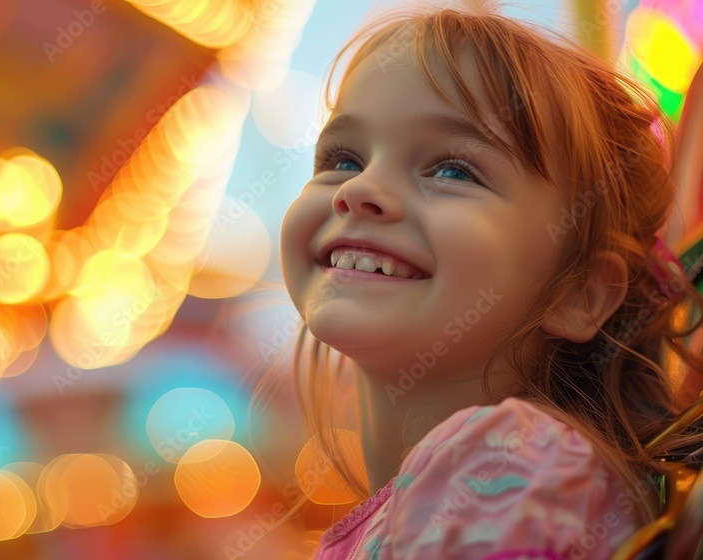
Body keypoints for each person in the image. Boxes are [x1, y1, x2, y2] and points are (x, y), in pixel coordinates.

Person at [277, 3, 703, 559]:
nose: (359, 189)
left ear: (581, 293)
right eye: (344, 157)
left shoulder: (508, 464)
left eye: (453, 169)